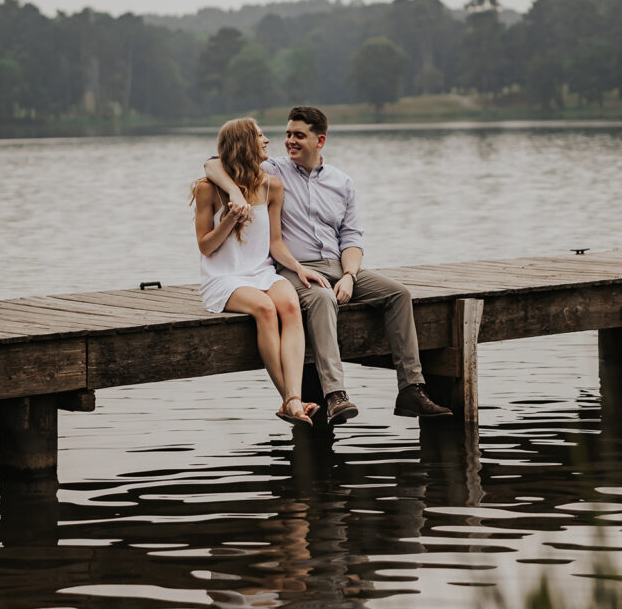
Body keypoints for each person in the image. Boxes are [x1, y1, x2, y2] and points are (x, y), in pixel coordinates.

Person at [205, 106, 452, 425]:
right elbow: (213, 162)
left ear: (319, 140)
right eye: (287, 134)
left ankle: (412, 389)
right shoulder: (273, 171)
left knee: (398, 294)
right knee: (322, 299)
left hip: (338, 266)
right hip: (295, 270)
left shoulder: (342, 182)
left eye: (299, 136)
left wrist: (349, 276)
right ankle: (335, 394)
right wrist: (236, 191)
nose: (289, 141)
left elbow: (351, 237)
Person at [193, 117, 330, 425]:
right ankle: (291, 400)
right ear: (243, 144)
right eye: (260, 136)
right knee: (266, 310)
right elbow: (205, 247)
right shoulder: (208, 190)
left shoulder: (273, 186)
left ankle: (292, 398)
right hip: (224, 278)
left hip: (261, 272)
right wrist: (230, 218)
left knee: (291, 304)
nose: (268, 140)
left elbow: (276, 243)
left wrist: (298, 268)